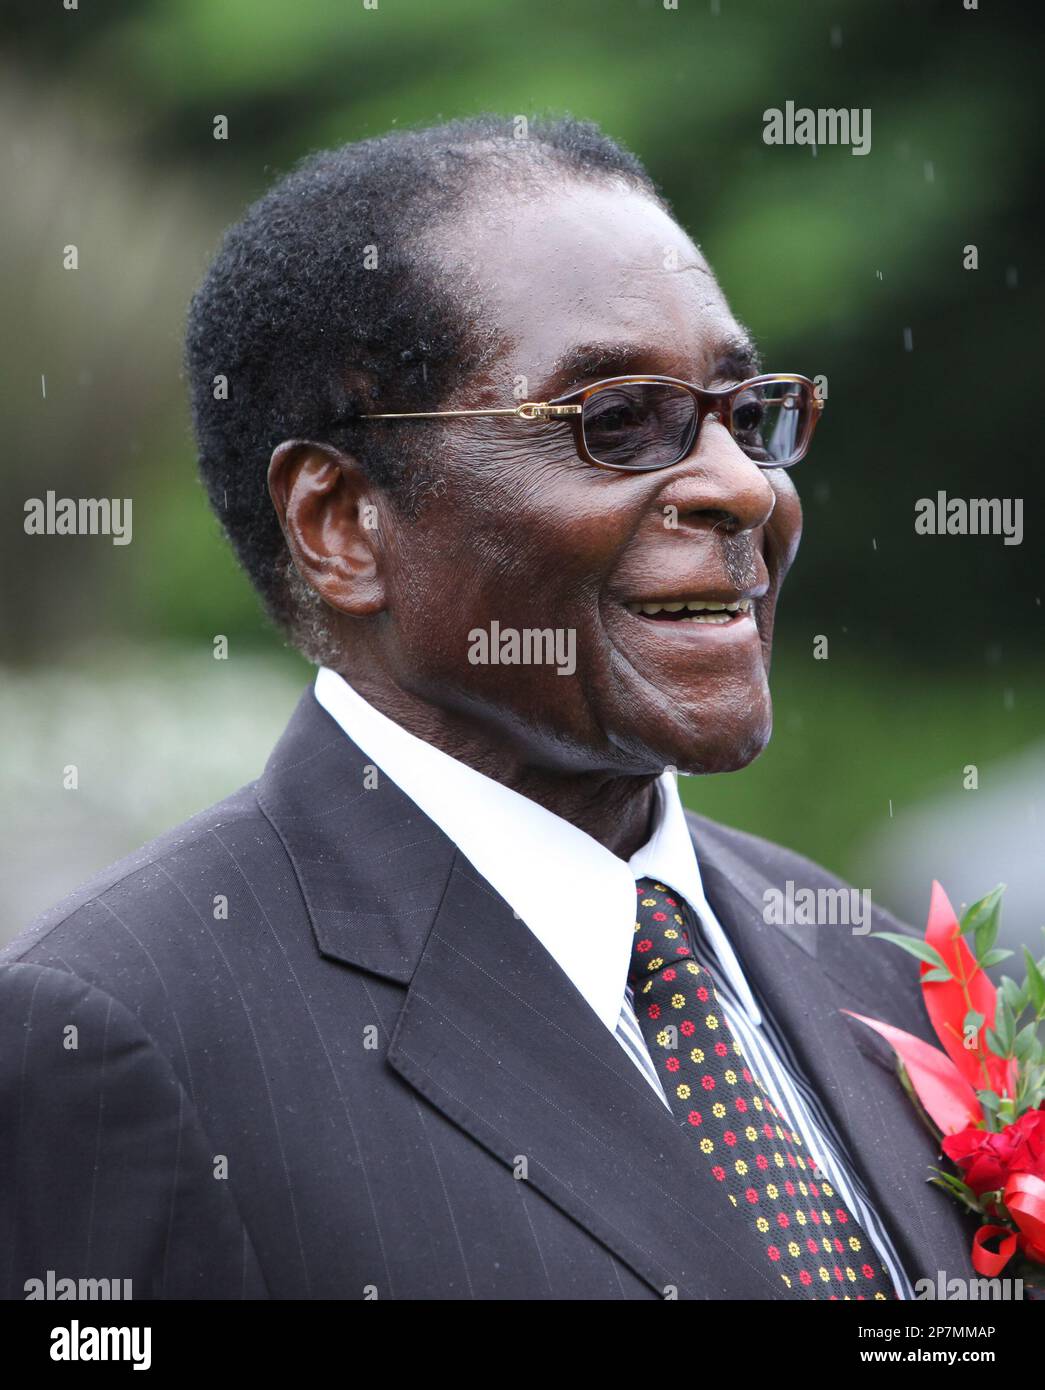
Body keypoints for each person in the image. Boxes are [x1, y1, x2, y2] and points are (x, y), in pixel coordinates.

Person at [0, 115, 974, 1300]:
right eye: (615, 422)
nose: (738, 486)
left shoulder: (871, 962)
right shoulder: (127, 1035)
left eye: (745, 410)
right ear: (340, 523)